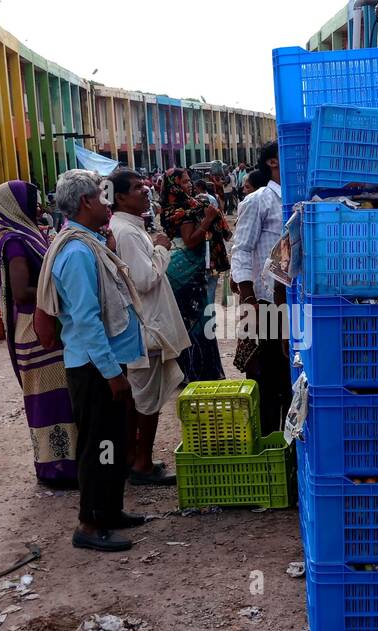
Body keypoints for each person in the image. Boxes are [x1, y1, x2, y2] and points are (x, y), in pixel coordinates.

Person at [36, 170, 148, 553]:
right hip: (95, 368)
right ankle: (89, 521)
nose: (108, 203)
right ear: (85, 201)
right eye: (103, 197)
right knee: (97, 445)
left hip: (107, 365)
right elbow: (86, 320)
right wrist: (111, 371)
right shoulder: (78, 252)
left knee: (113, 443)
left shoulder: (91, 244)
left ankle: (110, 510)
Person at [0, 180, 79, 490]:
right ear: (17, 206)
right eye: (33, 202)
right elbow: (22, 291)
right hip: (35, 331)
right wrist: (62, 289)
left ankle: (68, 462)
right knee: (51, 399)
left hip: (43, 325)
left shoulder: (29, 234)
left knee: (61, 397)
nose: (40, 207)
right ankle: (58, 468)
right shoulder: (15, 242)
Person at [108, 168, 190, 486]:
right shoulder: (127, 233)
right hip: (146, 327)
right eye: (137, 188)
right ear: (119, 198)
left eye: (145, 186)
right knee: (146, 401)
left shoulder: (130, 227)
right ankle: (141, 462)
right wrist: (161, 249)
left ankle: (137, 458)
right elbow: (143, 279)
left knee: (142, 399)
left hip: (145, 325)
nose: (145, 191)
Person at [231, 140, 291, 434]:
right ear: (272, 162)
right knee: (270, 382)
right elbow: (241, 250)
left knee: (293, 381)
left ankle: (293, 449)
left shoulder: (299, 197)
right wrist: (248, 298)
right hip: (268, 304)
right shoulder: (258, 201)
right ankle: (270, 448)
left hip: (297, 302)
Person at [160, 167, 229, 383]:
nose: (189, 184)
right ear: (174, 185)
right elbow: (190, 241)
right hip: (183, 269)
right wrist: (208, 220)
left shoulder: (188, 205)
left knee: (199, 317)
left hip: (191, 267)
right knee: (194, 318)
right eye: (184, 182)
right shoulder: (180, 209)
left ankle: (199, 371)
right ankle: (195, 372)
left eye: (189, 181)